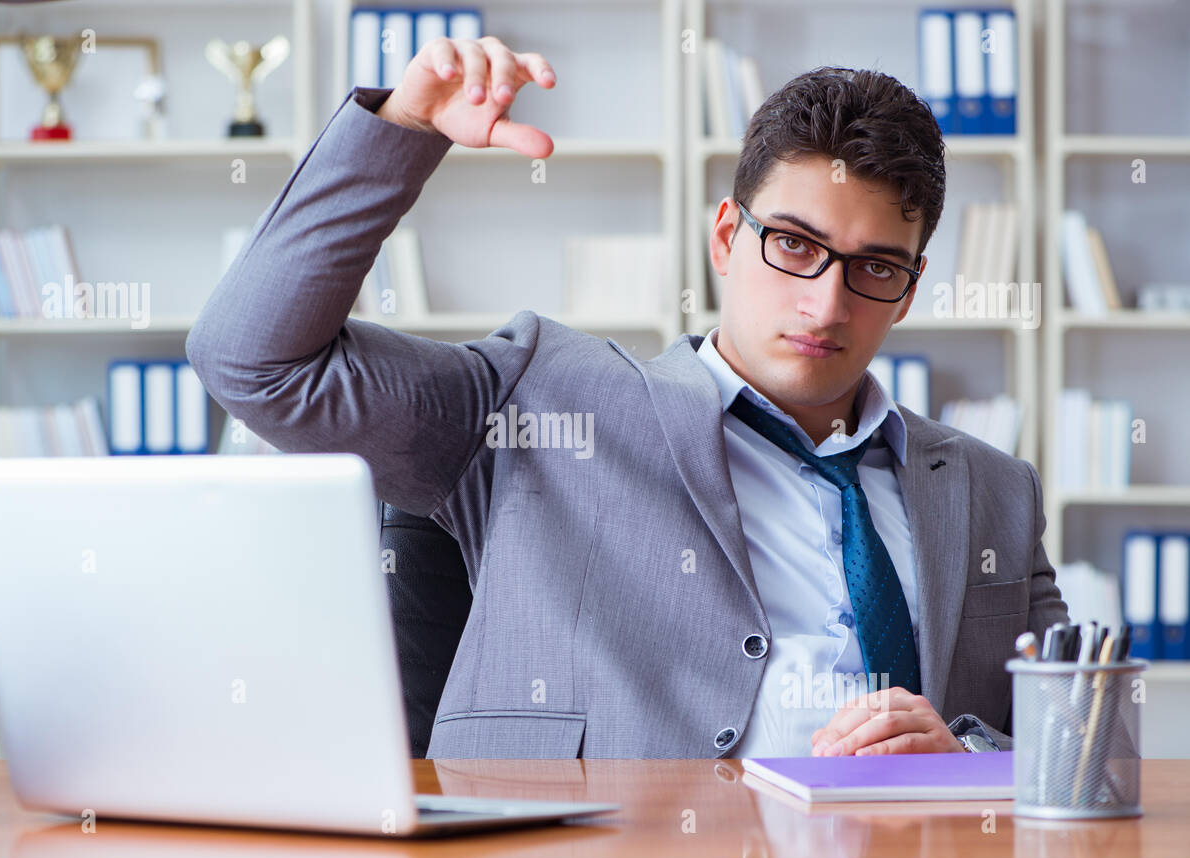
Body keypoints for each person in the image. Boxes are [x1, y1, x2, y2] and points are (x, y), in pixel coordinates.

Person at [185, 35, 1069, 759]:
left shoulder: (994, 488)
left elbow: (1085, 752)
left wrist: (967, 763)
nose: (826, 303)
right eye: (794, 245)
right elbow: (252, 362)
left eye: (873, 267)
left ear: (908, 290)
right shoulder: (546, 398)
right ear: (727, 237)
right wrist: (404, 128)